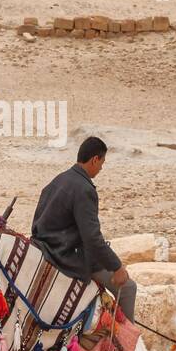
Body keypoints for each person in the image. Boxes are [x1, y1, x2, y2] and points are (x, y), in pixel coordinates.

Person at [30, 135, 136, 322]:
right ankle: (126, 346)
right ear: (95, 159)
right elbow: (92, 239)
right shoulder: (85, 189)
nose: (101, 168)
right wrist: (117, 267)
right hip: (66, 255)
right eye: (102, 163)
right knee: (128, 288)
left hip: (44, 247)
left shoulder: (58, 180)